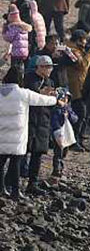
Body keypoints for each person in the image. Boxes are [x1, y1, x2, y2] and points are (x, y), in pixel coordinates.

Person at [0, 67, 57, 199]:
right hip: (17, 135)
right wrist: (55, 99)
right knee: (15, 163)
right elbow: (42, 100)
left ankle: (2, 189)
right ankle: (15, 191)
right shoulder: (23, 93)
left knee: (1, 163)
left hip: (1, 133)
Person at [23, 55, 55, 196]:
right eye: (47, 67)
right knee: (22, 152)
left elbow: (51, 100)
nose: (49, 70)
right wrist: (41, 93)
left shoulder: (50, 81)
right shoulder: (29, 78)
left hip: (44, 120)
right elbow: (28, 95)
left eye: (50, 67)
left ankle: (32, 183)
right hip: (29, 119)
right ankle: (12, 181)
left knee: (38, 153)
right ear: (39, 67)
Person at [49, 89, 79, 177]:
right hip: (58, 133)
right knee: (58, 151)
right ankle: (57, 169)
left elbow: (75, 119)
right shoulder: (55, 109)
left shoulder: (68, 109)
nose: (65, 100)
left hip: (66, 132)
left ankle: (61, 167)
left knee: (64, 151)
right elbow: (54, 121)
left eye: (67, 99)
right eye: (63, 98)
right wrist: (56, 130)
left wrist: (68, 115)